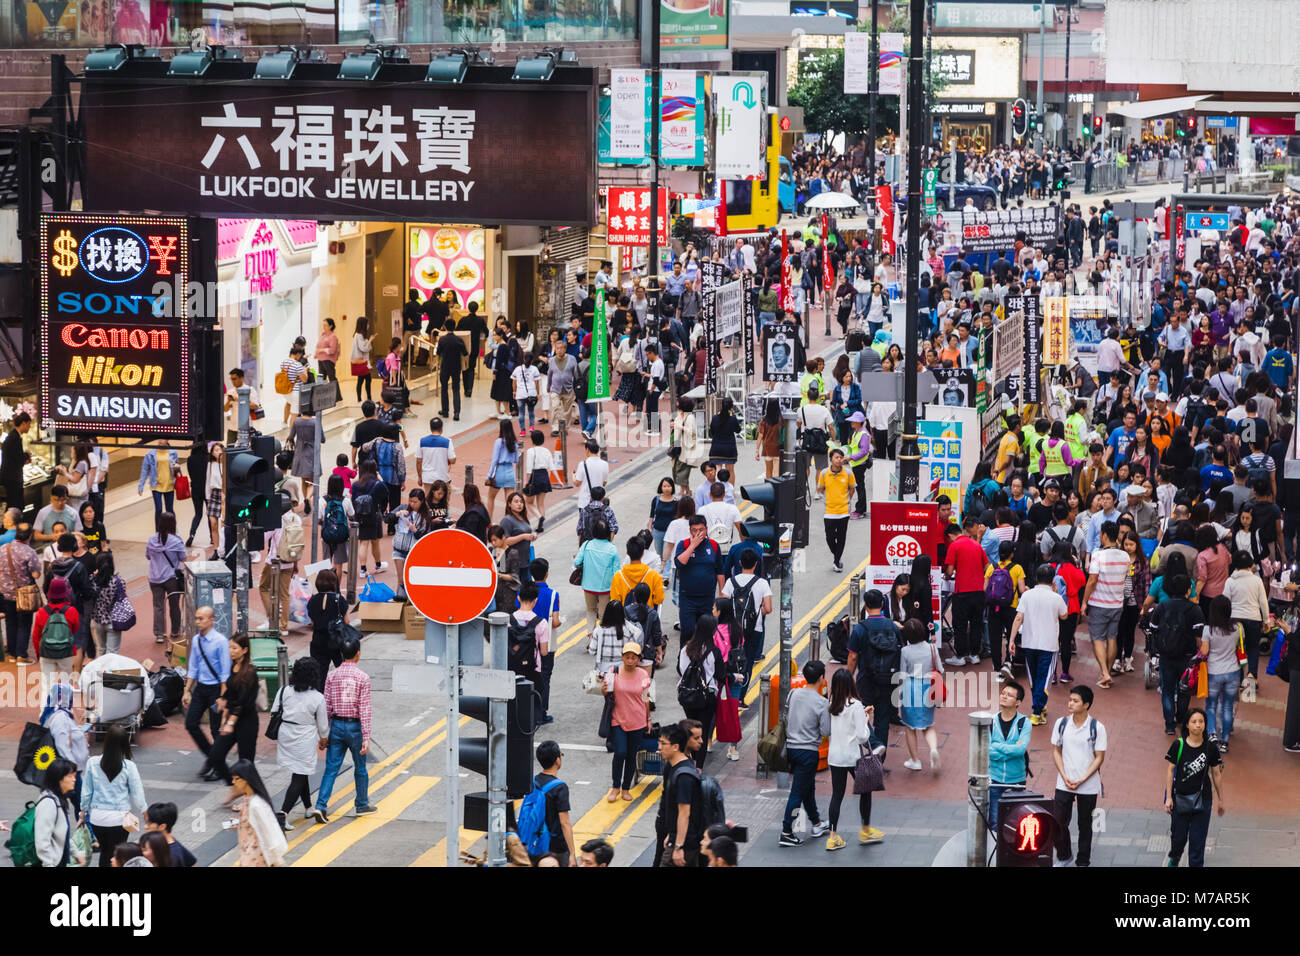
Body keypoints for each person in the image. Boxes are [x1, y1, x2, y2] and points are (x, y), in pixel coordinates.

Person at [312, 636, 374, 823]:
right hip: (355, 726)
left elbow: (327, 706)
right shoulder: (363, 677)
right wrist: (366, 736)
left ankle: (321, 806)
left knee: (331, 768)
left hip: (337, 726)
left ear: (340, 654)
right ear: (358, 654)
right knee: (360, 768)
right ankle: (362, 803)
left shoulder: (331, 675)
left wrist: (324, 734)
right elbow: (365, 708)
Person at [825, 668, 881, 850]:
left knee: (837, 795)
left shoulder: (832, 703)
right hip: (852, 756)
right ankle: (865, 830)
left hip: (835, 756)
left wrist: (861, 715)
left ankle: (832, 836)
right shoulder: (855, 705)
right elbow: (863, 736)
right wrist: (866, 718)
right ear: (851, 684)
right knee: (866, 791)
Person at [1051, 685, 1107, 867]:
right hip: (1064, 782)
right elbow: (1056, 751)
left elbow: (1100, 757)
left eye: (1075, 701)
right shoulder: (1061, 723)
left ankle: (1083, 861)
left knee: (1085, 824)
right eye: (1070, 700)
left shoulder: (1097, 727)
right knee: (1058, 821)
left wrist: (1082, 779)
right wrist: (1064, 774)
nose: (1070, 704)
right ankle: (1064, 855)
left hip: (1088, 784)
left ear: (1086, 705)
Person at [272, 657, 329, 831]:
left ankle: (308, 808)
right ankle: (283, 813)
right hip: (304, 738)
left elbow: (274, 711)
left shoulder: (284, 691)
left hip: (286, 735)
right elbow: (323, 726)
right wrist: (323, 740)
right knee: (299, 775)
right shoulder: (317, 698)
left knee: (300, 772)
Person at [1164, 708, 1225, 868]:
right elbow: (1170, 770)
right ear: (1187, 725)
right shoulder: (1179, 745)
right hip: (1180, 798)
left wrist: (1221, 799)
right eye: (1194, 722)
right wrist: (1169, 797)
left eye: (1201, 722)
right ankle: (1175, 857)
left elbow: (1216, 774)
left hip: (1202, 800)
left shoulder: (1211, 748)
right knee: (1178, 837)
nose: (1198, 725)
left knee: (1198, 841)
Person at [779, 660, 831, 846]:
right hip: (808, 752)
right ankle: (786, 830)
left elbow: (786, 717)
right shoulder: (822, 702)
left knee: (807, 788)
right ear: (821, 678)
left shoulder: (793, 693)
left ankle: (816, 823)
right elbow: (825, 731)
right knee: (797, 793)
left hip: (791, 749)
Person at [82, 725, 145, 867]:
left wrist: (83, 812)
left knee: (105, 851)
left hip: (97, 818)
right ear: (125, 743)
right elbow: (137, 793)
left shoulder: (92, 763)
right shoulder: (129, 766)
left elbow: (86, 792)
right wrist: (144, 810)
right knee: (117, 854)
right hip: (119, 820)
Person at [182, 605, 230, 778]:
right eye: (196, 618)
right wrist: (187, 690)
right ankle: (213, 758)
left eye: (201, 618)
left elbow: (225, 673)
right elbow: (193, 667)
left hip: (216, 689)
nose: (197, 622)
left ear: (211, 620)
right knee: (191, 724)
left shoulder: (220, 642)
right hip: (200, 688)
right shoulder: (196, 640)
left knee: (216, 729)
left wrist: (223, 697)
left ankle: (218, 767)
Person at [204, 633, 259, 785]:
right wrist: (223, 700)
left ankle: (250, 798)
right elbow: (231, 689)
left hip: (246, 722)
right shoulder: (233, 666)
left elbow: (241, 702)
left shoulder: (249, 672)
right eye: (230, 647)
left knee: (246, 763)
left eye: (235, 648)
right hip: (232, 720)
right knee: (216, 755)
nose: (231, 651)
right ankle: (233, 785)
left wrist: (229, 723)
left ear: (245, 650)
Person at [1082, 521, 1127, 686]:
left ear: (1105, 535)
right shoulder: (1125, 556)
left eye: (1100, 534)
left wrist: (1084, 601)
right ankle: (1105, 674)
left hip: (1099, 603)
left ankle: (1105, 673)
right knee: (1112, 637)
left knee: (1098, 638)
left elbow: (1092, 580)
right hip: (1117, 603)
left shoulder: (1098, 555)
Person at [676, 614, 724, 768]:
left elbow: (680, 669)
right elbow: (720, 675)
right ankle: (699, 767)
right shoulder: (713, 651)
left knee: (691, 728)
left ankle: (690, 760)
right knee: (701, 732)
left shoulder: (685, 649)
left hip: (687, 695)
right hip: (707, 697)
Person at [606, 642, 651, 802]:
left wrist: (648, 719)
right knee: (620, 752)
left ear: (638, 659)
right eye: (627, 657)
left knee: (632, 755)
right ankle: (615, 787)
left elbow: (646, 698)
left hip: (637, 720)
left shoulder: (643, 675)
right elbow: (606, 692)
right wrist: (603, 688)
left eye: (633, 658)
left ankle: (626, 788)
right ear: (622, 657)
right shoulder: (614, 671)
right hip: (618, 718)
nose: (630, 660)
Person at [656, 723, 705, 867]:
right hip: (677, 838)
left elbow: (684, 813)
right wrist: (671, 835)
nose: (659, 747)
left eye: (663, 743)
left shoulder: (684, 775)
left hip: (685, 845)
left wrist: (678, 847)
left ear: (676, 746)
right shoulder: (675, 767)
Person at [945, 515, 990, 666]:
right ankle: (974, 654)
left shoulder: (954, 546)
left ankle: (960, 656)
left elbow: (950, 572)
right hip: (978, 592)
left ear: (951, 535)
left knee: (960, 624)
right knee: (976, 623)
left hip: (962, 591)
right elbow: (986, 565)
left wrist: (946, 575)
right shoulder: (976, 545)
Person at [674, 515, 725, 647]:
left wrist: (722, 593)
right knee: (688, 631)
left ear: (707, 529)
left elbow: (720, 570)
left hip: (707, 599)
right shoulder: (683, 545)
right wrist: (692, 546)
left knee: (708, 632)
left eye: (701, 530)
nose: (698, 533)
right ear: (690, 530)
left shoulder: (713, 546)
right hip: (687, 598)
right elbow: (679, 563)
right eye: (694, 530)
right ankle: (685, 661)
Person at [987, 680, 1032, 826]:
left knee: (1015, 822)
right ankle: (994, 849)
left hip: (1016, 782)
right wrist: (1010, 749)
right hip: (995, 780)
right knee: (994, 821)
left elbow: (1020, 750)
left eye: (1009, 695)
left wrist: (997, 745)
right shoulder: (991, 721)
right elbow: (988, 751)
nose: (1004, 696)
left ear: (1018, 702)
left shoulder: (1024, 723)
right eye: (1003, 693)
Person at [228, 759, 287, 867]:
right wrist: (240, 823)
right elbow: (252, 823)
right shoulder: (248, 798)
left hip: (257, 859)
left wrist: (275, 859)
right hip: (248, 855)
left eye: (236, 779)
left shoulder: (257, 804)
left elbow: (268, 831)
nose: (233, 782)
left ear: (246, 779)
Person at [1201, 595, 1240, 752]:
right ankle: (1224, 740)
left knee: (1211, 705)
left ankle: (1211, 735)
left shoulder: (1208, 630)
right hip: (1232, 671)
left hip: (1213, 671)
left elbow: (1204, 651)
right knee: (1227, 706)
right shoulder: (1237, 628)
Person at [529, 740, 577, 866]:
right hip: (556, 847)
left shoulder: (532, 781)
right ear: (557, 760)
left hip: (535, 842)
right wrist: (572, 853)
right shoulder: (560, 787)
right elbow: (565, 823)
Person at [145, 512, 186, 647]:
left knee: (158, 606)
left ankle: (159, 634)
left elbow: (148, 556)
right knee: (174, 605)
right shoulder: (176, 540)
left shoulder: (151, 539)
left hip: (154, 578)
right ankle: (175, 630)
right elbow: (183, 557)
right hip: (171, 578)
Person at [0, 524, 40, 663]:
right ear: (30, 536)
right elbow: (36, 574)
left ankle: (11, 653)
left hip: (6, 593)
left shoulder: (3, 549)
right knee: (24, 623)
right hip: (24, 595)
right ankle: (21, 655)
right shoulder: (29, 552)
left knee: (10, 622)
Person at [34, 758, 81, 867]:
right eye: (69, 776)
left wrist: (75, 853)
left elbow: (61, 833)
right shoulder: (48, 803)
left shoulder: (58, 799)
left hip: (59, 859)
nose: (74, 779)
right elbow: (42, 841)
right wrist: (49, 864)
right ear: (58, 778)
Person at [33, 577, 79, 682]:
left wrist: (39, 653)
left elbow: (36, 636)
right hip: (66, 651)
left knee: (47, 684)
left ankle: (48, 698)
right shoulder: (72, 611)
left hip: (46, 652)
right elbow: (74, 630)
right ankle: (65, 698)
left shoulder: (41, 612)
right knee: (65, 682)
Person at [818, 448, 855, 573]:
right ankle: (837, 556)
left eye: (841, 457)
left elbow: (852, 489)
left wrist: (847, 501)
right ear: (830, 459)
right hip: (829, 512)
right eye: (836, 457)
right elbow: (820, 489)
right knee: (830, 538)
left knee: (841, 537)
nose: (839, 460)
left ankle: (837, 562)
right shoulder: (824, 473)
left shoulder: (848, 473)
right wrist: (827, 501)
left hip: (844, 511)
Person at [351, 461, 389, 575]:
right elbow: (386, 494)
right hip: (374, 515)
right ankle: (378, 565)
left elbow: (353, 499)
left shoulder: (356, 484)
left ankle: (363, 569)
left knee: (363, 542)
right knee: (375, 541)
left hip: (359, 516)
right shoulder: (378, 484)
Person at [143, 803, 196, 867]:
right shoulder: (171, 841)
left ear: (162, 826)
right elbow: (191, 862)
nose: (145, 826)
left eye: (149, 824)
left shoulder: (172, 854)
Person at [522, 431, 555, 531]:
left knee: (529, 502)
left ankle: (539, 517)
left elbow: (529, 469)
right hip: (544, 476)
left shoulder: (531, 451)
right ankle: (541, 526)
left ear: (532, 440)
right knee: (540, 503)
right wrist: (559, 481)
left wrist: (527, 482)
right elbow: (552, 467)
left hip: (535, 476)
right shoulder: (547, 451)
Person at [136, 441, 180, 517]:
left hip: (169, 484)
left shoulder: (173, 452)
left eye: (162, 439)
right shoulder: (150, 454)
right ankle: (158, 529)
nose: (160, 440)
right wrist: (141, 486)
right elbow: (145, 470)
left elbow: (176, 465)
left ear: (167, 440)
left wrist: (177, 468)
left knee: (169, 509)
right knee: (158, 509)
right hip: (156, 485)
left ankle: (172, 527)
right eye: (159, 439)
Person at [2, 411, 32, 515]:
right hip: (12, 480)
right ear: (24, 423)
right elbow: (18, 459)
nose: (29, 427)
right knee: (14, 507)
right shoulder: (14, 438)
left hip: (12, 479)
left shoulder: (13, 437)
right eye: (29, 424)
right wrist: (27, 455)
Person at [351, 316, 376, 403]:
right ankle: (367, 399)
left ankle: (361, 399)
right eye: (367, 323)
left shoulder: (358, 335)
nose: (368, 325)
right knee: (366, 380)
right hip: (361, 362)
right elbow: (364, 348)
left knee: (361, 380)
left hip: (362, 361)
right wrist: (370, 340)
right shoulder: (359, 336)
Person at [315, 317, 340, 382]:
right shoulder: (323, 335)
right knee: (320, 380)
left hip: (328, 361)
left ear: (330, 326)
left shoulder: (333, 337)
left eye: (325, 325)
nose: (324, 327)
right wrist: (317, 353)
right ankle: (320, 392)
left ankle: (336, 392)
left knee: (332, 379)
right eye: (323, 325)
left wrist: (322, 350)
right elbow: (318, 346)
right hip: (320, 360)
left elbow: (332, 350)